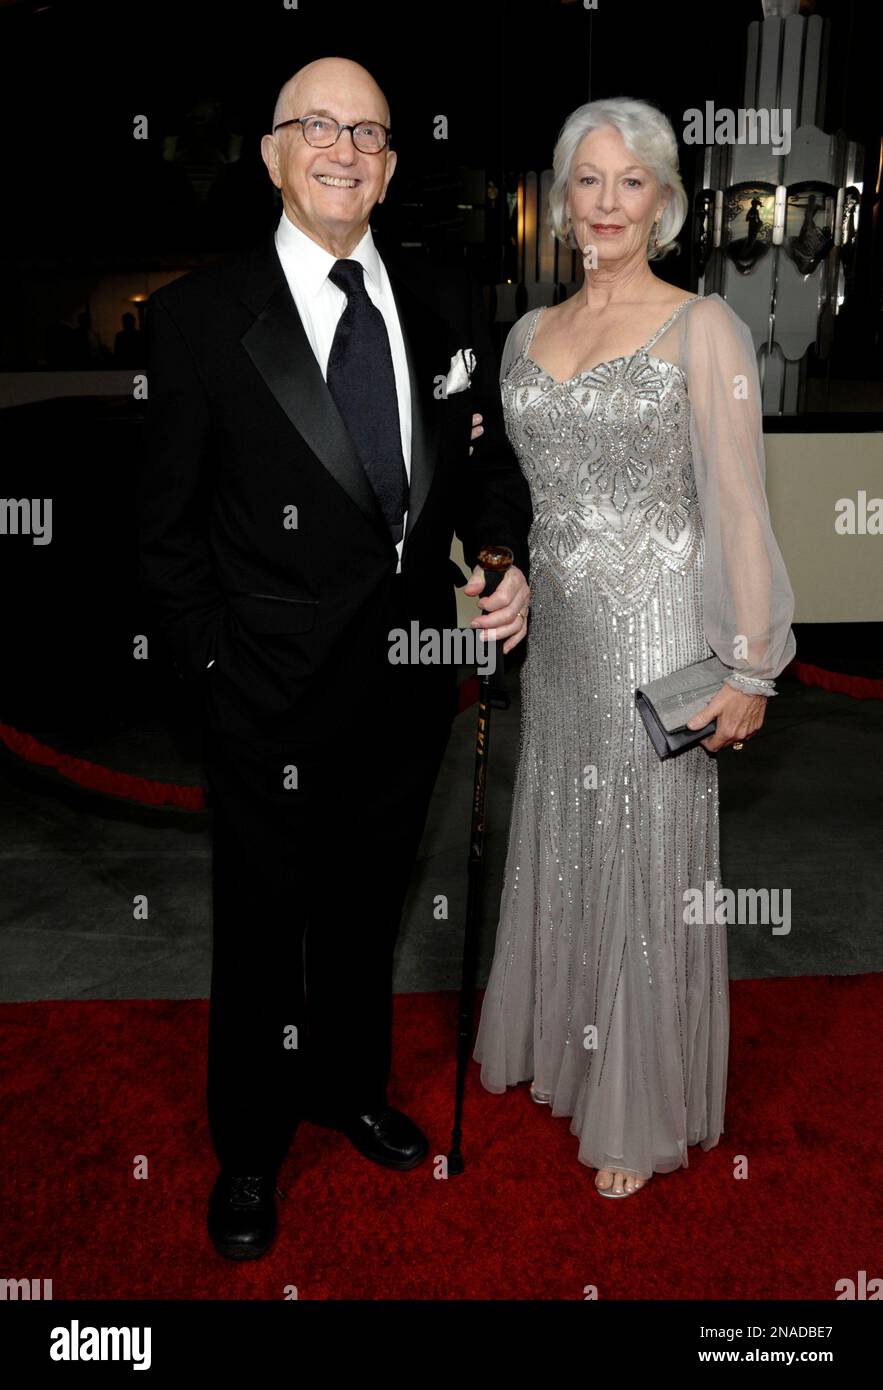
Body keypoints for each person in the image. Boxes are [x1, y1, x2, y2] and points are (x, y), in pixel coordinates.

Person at [137, 56, 532, 1259]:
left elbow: (485, 464)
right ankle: (250, 1148)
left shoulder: (446, 298)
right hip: (261, 694)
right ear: (271, 151)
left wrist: (504, 550)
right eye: (319, 125)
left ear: (394, 164)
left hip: (408, 681)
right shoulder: (199, 318)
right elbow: (161, 533)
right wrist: (215, 672)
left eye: (368, 132)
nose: (345, 149)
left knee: (365, 912)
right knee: (263, 928)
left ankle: (348, 1086)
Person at [472, 97, 796, 1197]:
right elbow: (522, 493)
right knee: (565, 832)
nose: (606, 204)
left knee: (643, 857)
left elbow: (738, 505)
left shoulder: (702, 327)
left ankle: (637, 1105)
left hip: (660, 636)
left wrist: (749, 663)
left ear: (663, 203)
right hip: (559, 641)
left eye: (630, 183)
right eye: (587, 181)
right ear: (561, 200)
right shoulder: (524, 333)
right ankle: (571, 1046)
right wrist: (506, 567)